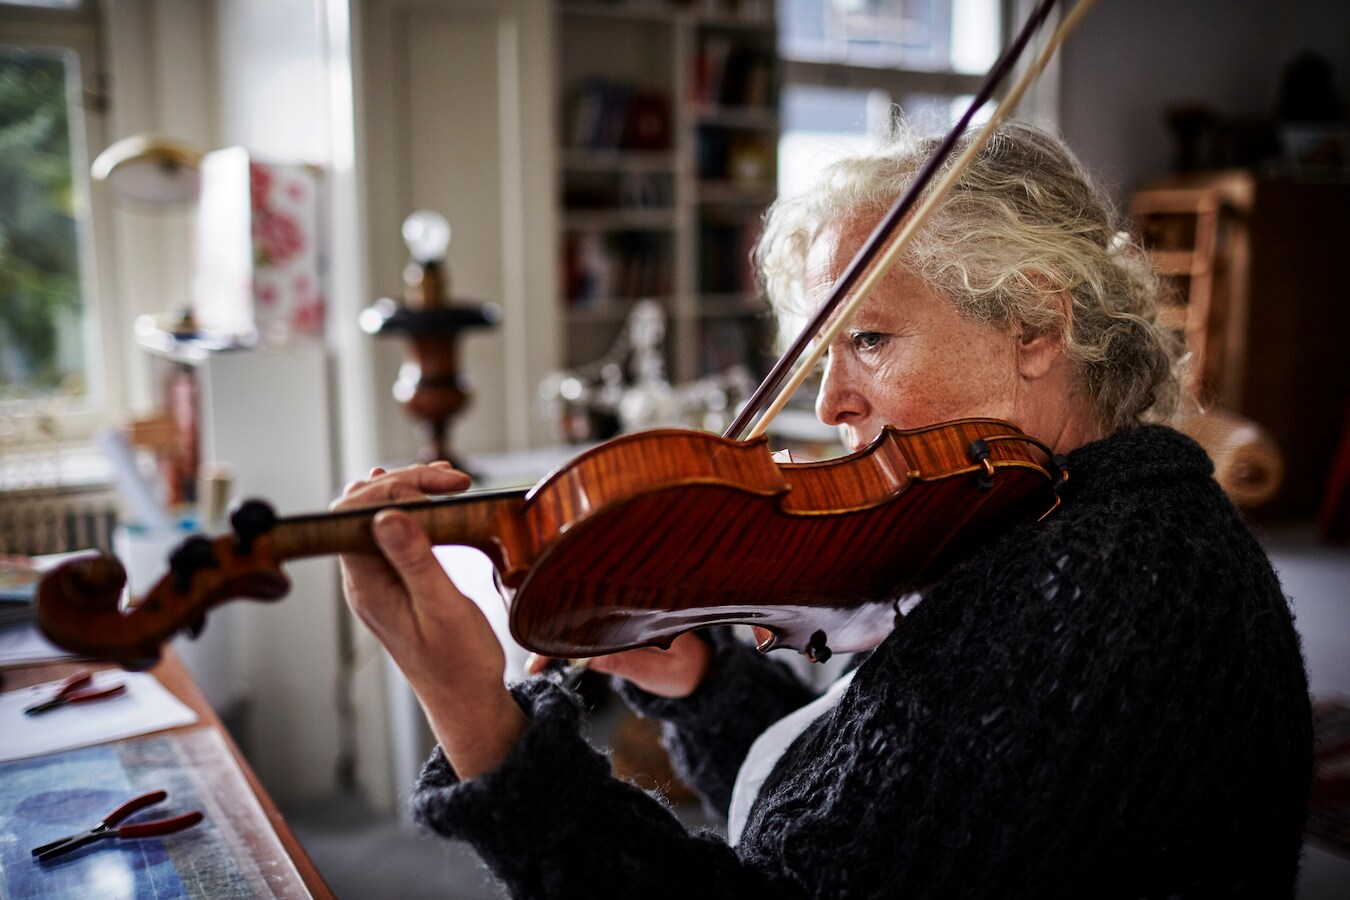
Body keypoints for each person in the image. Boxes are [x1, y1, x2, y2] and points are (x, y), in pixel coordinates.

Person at [334, 121, 1312, 898]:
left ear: (1036, 324)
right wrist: (704, 688)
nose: (832, 404)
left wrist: (486, 735)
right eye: (819, 356)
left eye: (871, 340)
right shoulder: (1024, 525)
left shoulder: (1112, 589)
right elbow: (858, 825)